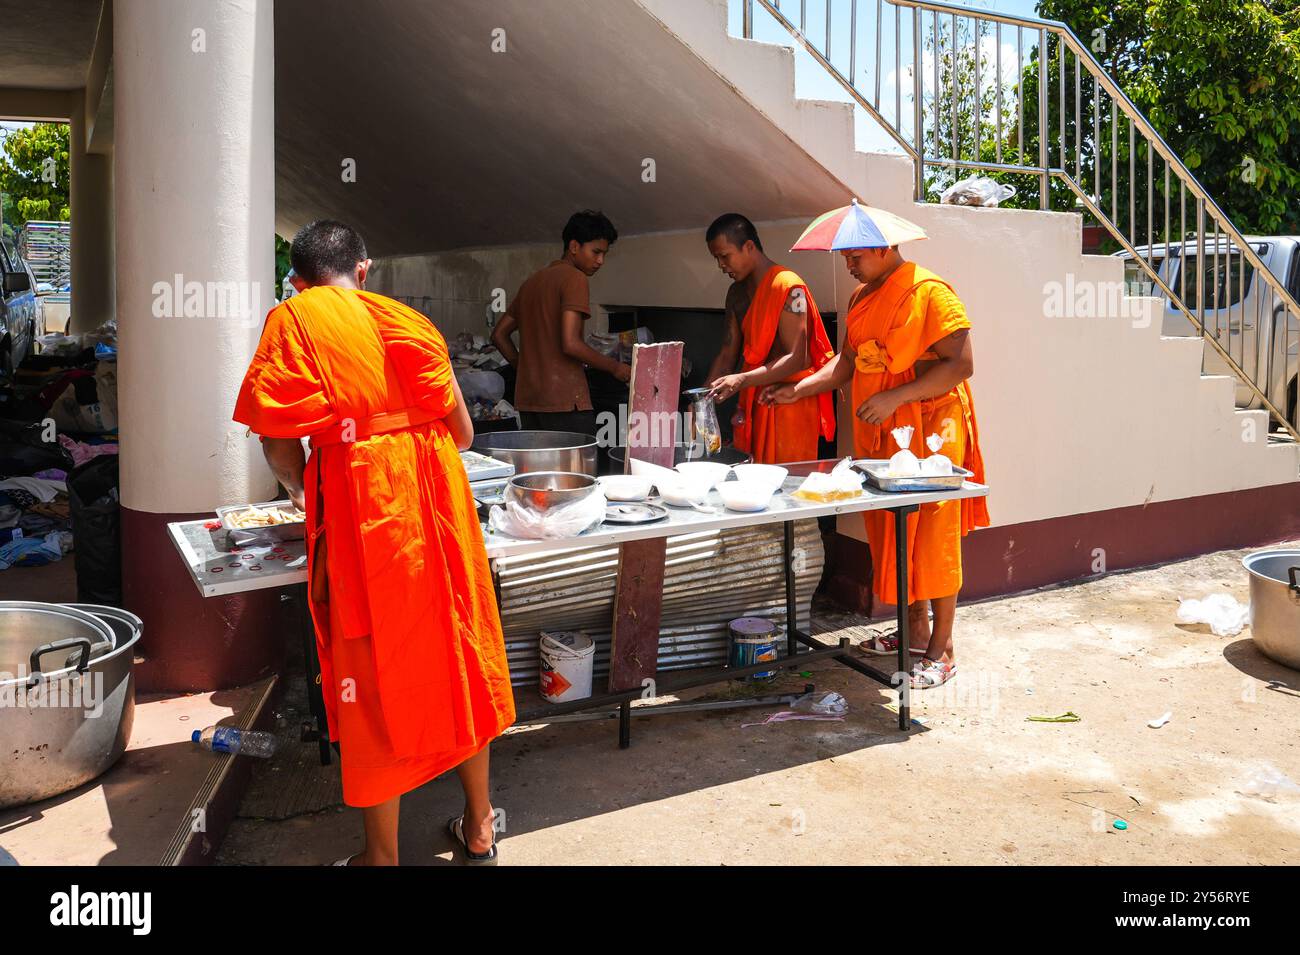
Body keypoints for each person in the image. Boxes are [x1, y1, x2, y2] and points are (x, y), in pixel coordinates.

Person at [233, 220, 516, 865]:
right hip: (439, 506)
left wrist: (304, 490)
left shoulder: (294, 318)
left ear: (298, 280)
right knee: (457, 654)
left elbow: (279, 443)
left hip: (368, 512)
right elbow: (465, 434)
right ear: (364, 269)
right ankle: (479, 826)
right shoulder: (408, 321)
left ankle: (381, 857)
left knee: (371, 667)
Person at [761, 245, 988, 688]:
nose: (849, 266)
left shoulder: (929, 292)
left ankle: (943, 650)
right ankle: (913, 630)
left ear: (885, 249)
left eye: (856, 256)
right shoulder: (863, 297)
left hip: (933, 428)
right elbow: (847, 363)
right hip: (888, 430)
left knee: (933, 536)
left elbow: (962, 364)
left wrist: (896, 397)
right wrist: (800, 390)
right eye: (845, 257)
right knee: (897, 530)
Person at [703, 213, 835, 463]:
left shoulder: (788, 286)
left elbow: (797, 357)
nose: (721, 265)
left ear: (749, 246)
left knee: (787, 486)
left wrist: (742, 380)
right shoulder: (736, 293)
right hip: (753, 399)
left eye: (724, 256)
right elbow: (727, 353)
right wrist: (702, 400)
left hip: (788, 402)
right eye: (716, 259)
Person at [491, 210, 631, 434]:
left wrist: (524, 367)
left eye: (604, 254)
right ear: (574, 246)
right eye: (595, 252)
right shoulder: (574, 278)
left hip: (529, 400)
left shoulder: (532, 282)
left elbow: (499, 335)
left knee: (540, 468)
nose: (600, 261)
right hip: (565, 401)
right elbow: (571, 343)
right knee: (574, 468)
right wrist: (616, 368)